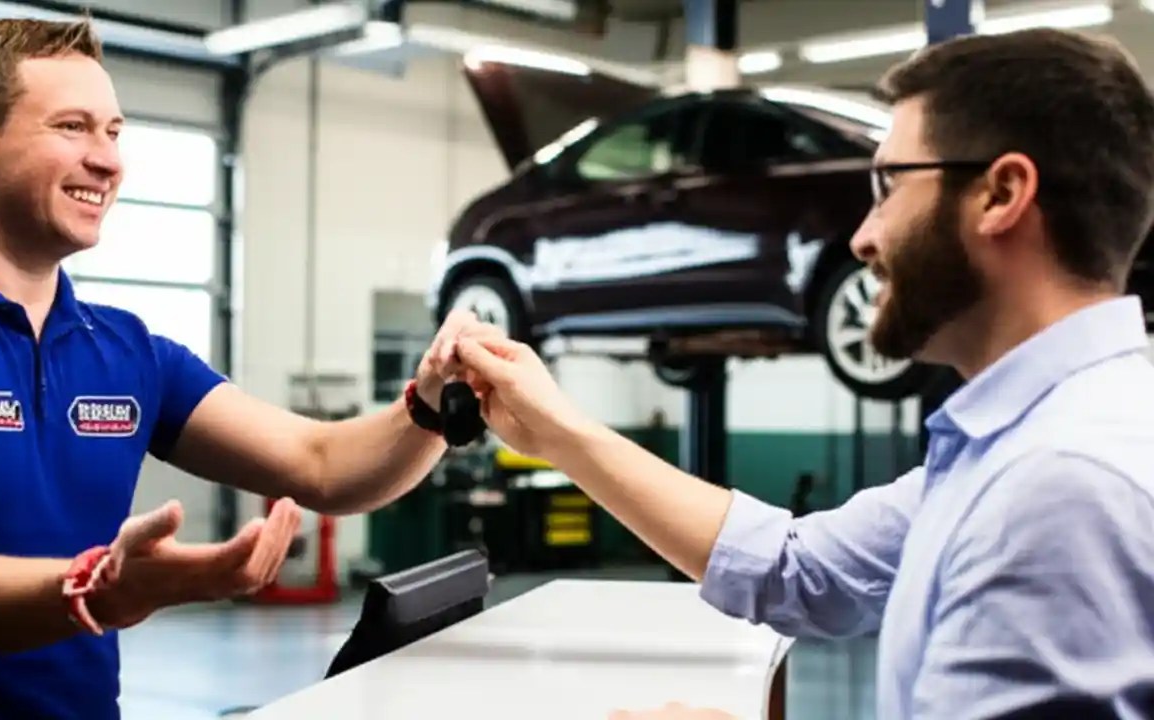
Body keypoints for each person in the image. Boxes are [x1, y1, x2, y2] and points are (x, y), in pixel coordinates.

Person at [455, 27, 1154, 720]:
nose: (863, 236)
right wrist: (560, 433)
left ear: (1000, 195)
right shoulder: (1022, 443)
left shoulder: (1060, 486)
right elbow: (798, 571)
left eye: (888, 186)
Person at [0, 17, 495, 719]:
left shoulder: (127, 351)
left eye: (114, 131)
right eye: (72, 127)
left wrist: (431, 403)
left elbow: (324, 463)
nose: (109, 161)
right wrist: (102, 591)